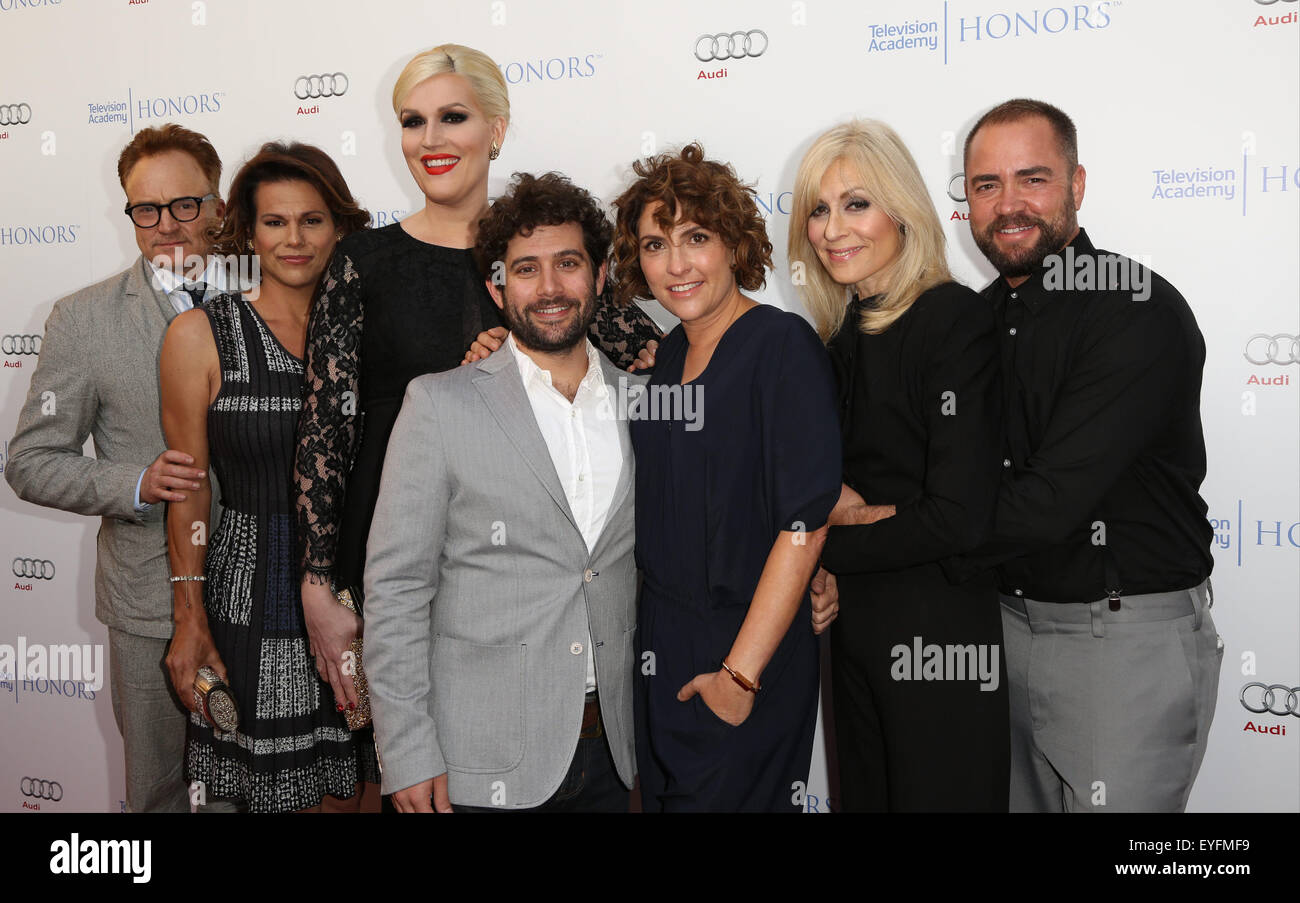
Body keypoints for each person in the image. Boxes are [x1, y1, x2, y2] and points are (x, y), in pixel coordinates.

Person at [293, 45, 662, 722]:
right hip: (387, 565)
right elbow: (326, 431)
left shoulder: (544, 259)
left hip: (518, 576)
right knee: (411, 767)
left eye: (452, 116)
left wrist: (525, 362)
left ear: (496, 128)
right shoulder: (362, 262)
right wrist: (320, 587)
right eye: (412, 120)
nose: (429, 140)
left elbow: (651, 366)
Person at [956, 98, 1221, 812]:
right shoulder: (971, 324)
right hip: (1002, 630)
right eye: (986, 185)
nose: (1007, 204)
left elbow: (1050, 503)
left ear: (1076, 185)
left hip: (1121, 640)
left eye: (1031, 179)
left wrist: (874, 529)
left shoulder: (1134, 309)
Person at [363, 172, 640, 812]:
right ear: (496, 286)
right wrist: (405, 751)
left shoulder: (642, 403)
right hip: (479, 757)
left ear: (599, 277)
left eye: (568, 264)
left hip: (611, 750)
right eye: (525, 269)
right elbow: (397, 586)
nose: (548, 288)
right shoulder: (439, 403)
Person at [611, 144, 841, 812]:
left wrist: (741, 674)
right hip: (663, 641)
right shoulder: (668, 353)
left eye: (696, 238)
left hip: (746, 647)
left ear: (733, 243)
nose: (675, 264)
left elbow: (805, 518)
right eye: (655, 244)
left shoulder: (781, 346)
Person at [788, 120, 1009, 812]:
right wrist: (843, 534)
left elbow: (957, 517)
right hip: (855, 636)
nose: (832, 228)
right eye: (819, 209)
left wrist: (832, 538)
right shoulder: (837, 342)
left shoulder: (952, 321)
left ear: (903, 211)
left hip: (940, 642)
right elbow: (832, 491)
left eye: (856, 203)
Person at [6, 124, 227, 812]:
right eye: (146, 209)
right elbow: (30, 461)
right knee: (159, 793)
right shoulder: (82, 320)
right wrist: (133, 482)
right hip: (148, 602)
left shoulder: (270, 300)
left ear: (218, 203)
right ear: (127, 212)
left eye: (185, 204)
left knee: (259, 790)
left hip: (263, 595)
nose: (167, 226)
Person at [159, 142, 377, 813]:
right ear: (248, 231)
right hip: (249, 595)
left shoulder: (376, 329)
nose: (294, 238)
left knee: (371, 784)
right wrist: (188, 615)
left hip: (366, 586)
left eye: (312, 220)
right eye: (275, 221)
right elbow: (189, 487)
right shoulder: (201, 334)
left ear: (339, 226)